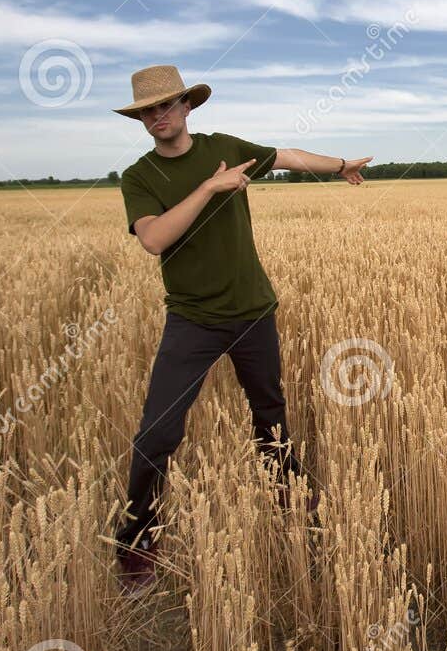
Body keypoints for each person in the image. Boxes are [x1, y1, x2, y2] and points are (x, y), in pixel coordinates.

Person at [111, 64, 371, 596]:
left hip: (253, 311)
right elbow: (155, 239)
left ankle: (290, 503)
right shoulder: (139, 177)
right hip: (191, 318)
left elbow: (290, 157)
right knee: (157, 432)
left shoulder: (223, 145)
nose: (157, 116)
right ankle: (136, 543)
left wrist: (341, 164)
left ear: (187, 107)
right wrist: (209, 187)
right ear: (141, 119)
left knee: (270, 417)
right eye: (147, 111)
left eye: (166, 105)